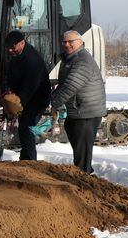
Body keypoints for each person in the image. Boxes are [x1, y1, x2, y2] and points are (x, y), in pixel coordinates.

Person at [50, 30, 107, 173]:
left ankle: (83, 183)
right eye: (64, 42)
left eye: (71, 41)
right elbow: (64, 84)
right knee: (79, 151)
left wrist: (54, 102)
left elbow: (70, 86)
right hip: (77, 112)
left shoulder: (82, 60)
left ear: (80, 42)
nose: (67, 44)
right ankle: (84, 176)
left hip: (87, 112)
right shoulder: (69, 59)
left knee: (82, 155)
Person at [5, 30, 51, 161]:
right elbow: (11, 77)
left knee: (27, 127)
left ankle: (30, 160)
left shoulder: (32, 60)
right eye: (8, 48)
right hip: (24, 97)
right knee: (24, 128)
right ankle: (25, 158)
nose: (10, 50)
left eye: (13, 47)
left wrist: (16, 109)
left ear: (22, 43)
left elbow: (29, 88)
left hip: (37, 99)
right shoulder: (16, 56)